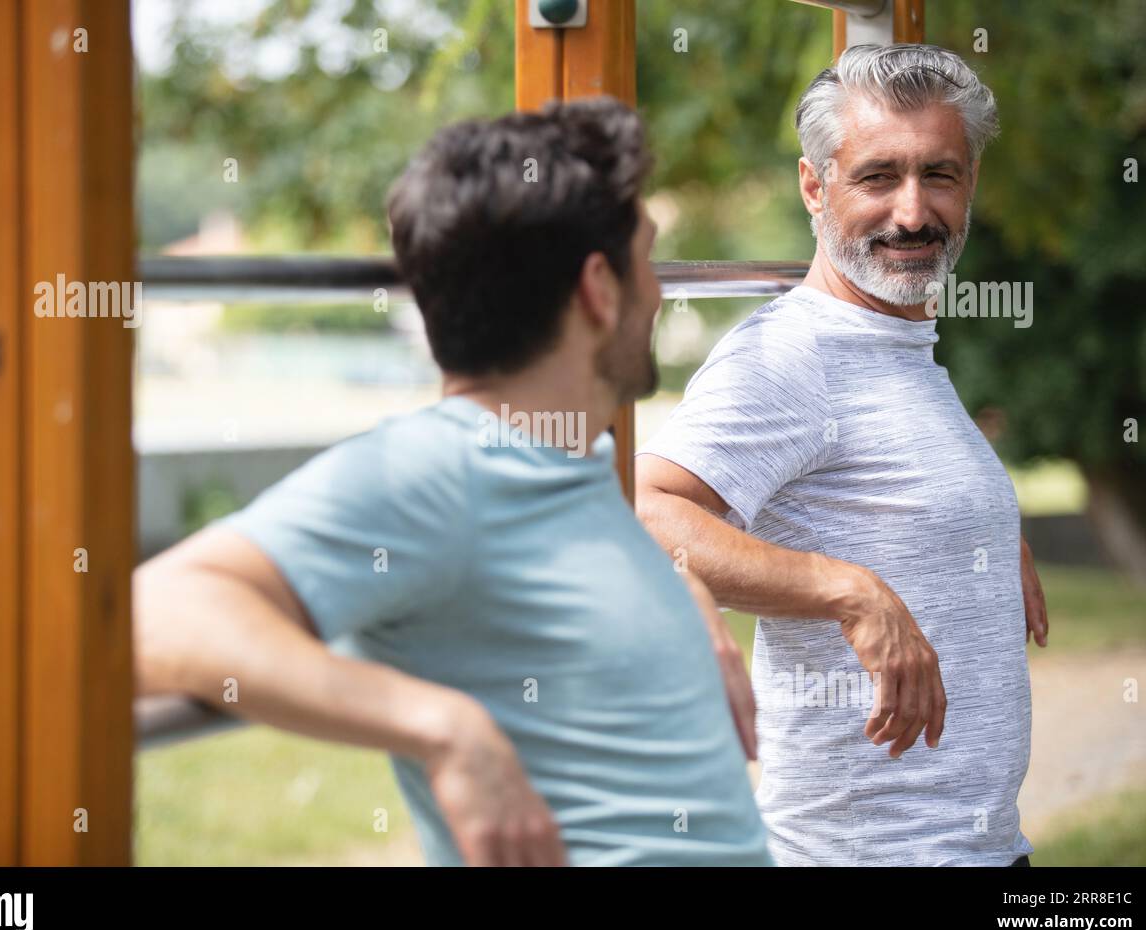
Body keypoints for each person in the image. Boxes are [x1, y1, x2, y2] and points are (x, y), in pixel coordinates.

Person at [135, 96, 774, 867]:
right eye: (648, 257)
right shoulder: (437, 470)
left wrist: (678, 595)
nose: (662, 290)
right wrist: (444, 727)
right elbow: (152, 613)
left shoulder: (563, 464)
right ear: (600, 289)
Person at [636, 43, 1049, 866]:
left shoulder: (896, 338)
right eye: (877, 177)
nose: (911, 212)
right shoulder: (794, 352)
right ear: (813, 186)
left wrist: (984, 526)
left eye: (940, 175)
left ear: (971, 185)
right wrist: (849, 593)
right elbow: (647, 514)